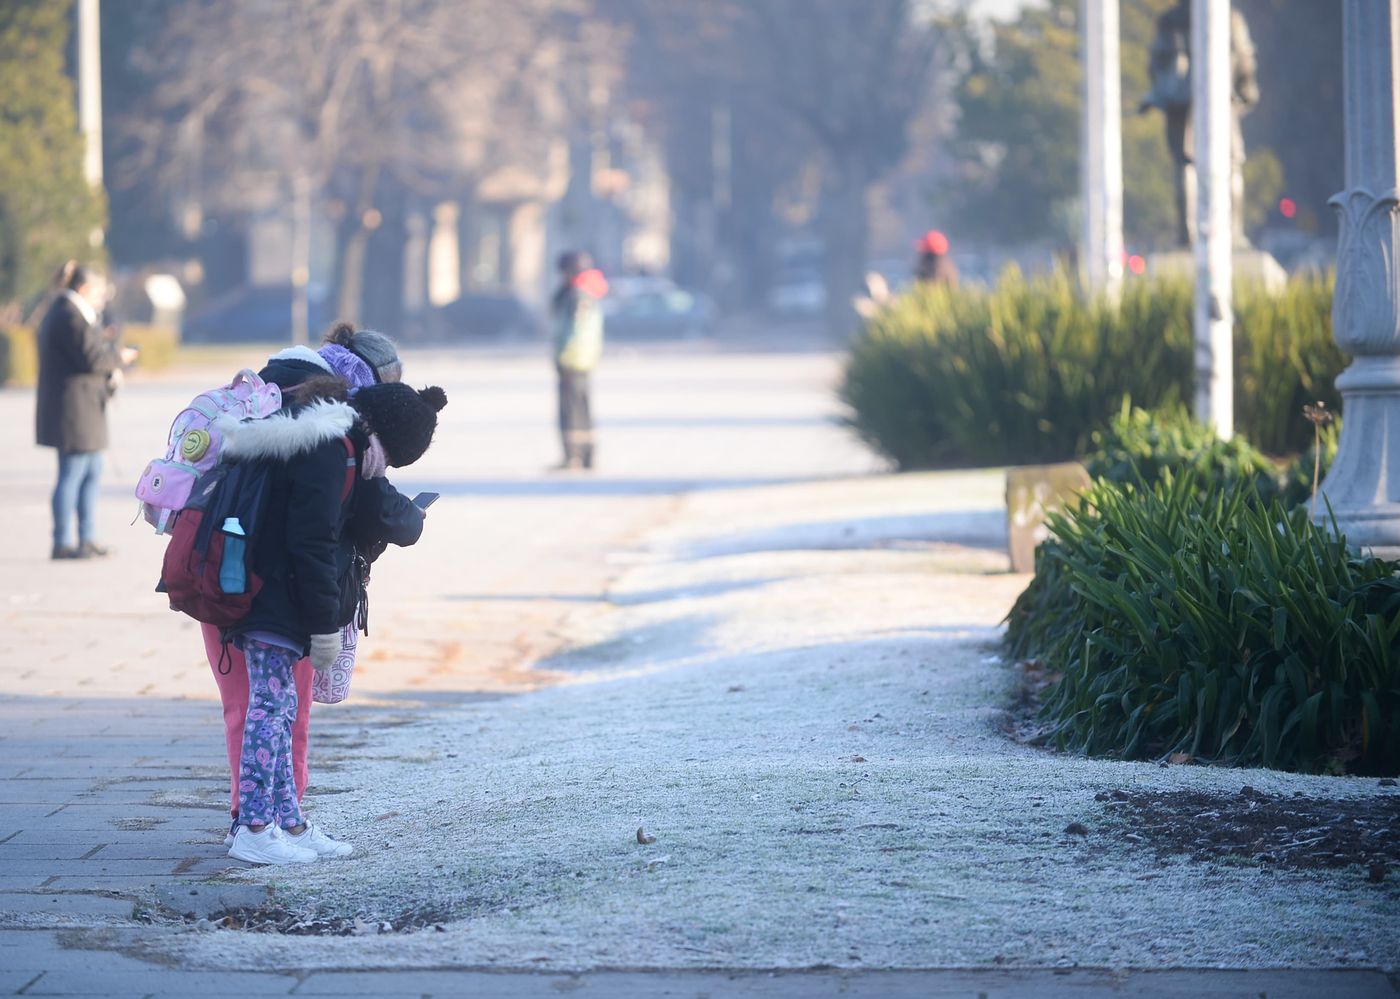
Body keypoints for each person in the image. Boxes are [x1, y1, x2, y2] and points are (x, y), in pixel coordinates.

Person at [200, 325, 416, 859]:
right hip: (275, 595)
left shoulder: (293, 421)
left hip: (254, 584)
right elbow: (312, 538)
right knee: (269, 710)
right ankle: (252, 829)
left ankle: (287, 822)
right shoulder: (327, 445)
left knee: (274, 708)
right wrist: (323, 623)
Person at [35, 265, 138, 559]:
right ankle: (62, 541)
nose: (101, 298)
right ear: (83, 288)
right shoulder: (69, 314)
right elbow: (92, 359)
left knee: (91, 470)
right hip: (73, 409)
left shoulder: (69, 311)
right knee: (72, 472)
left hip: (84, 406)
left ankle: (87, 537)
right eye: (98, 291)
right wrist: (120, 357)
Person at [550, 251, 608, 471]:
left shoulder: (576, 295)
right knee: (583, 408)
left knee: (570, 410)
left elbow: (573, 331)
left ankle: (572, 457)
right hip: (585, 359)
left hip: (572, 360)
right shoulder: (589, 291)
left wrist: (564, 356)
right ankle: (587, 455)